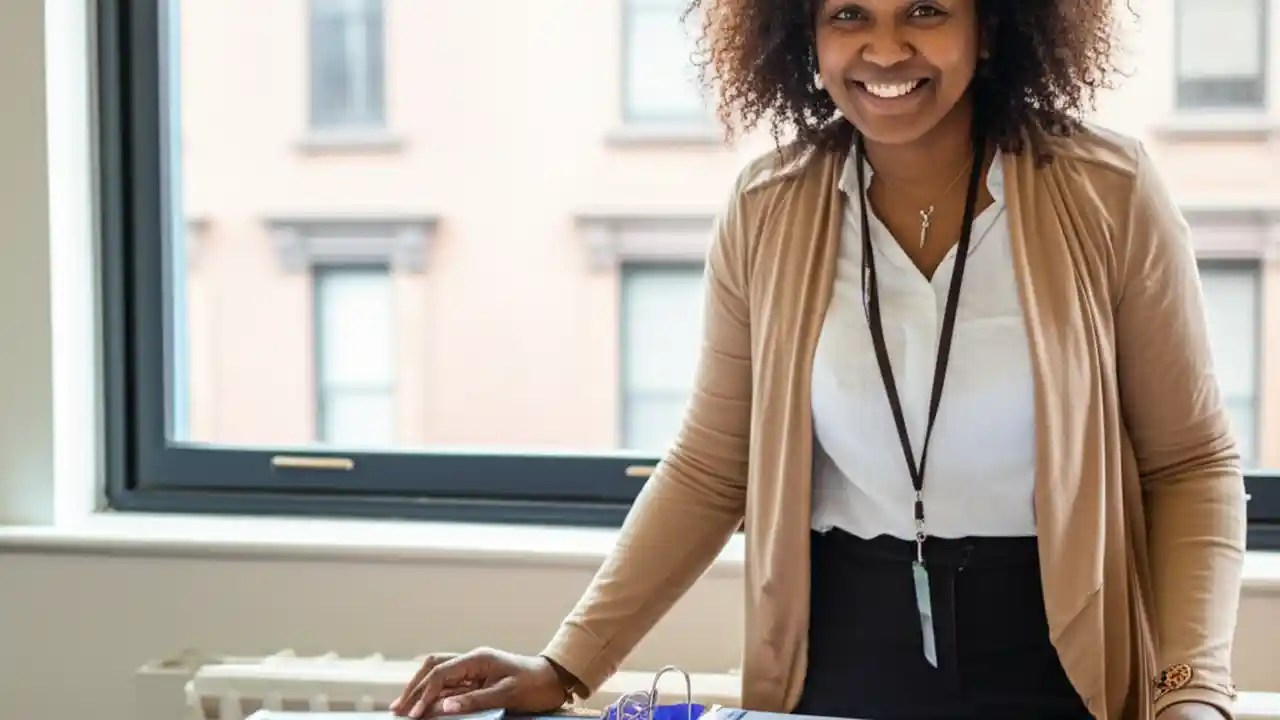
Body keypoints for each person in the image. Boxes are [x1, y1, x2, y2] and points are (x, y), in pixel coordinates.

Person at [391, 0, 1247, 718]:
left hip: (1061, 651)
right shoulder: (768, 207)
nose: (884, 48)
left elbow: (1190, 465)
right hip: (840, 650)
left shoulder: (1108, 189)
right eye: (848, 15)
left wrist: (1187, 691)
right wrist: (566, 663)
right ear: (805, 34)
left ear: (989, 28)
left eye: (925, 10)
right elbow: (709, 469)